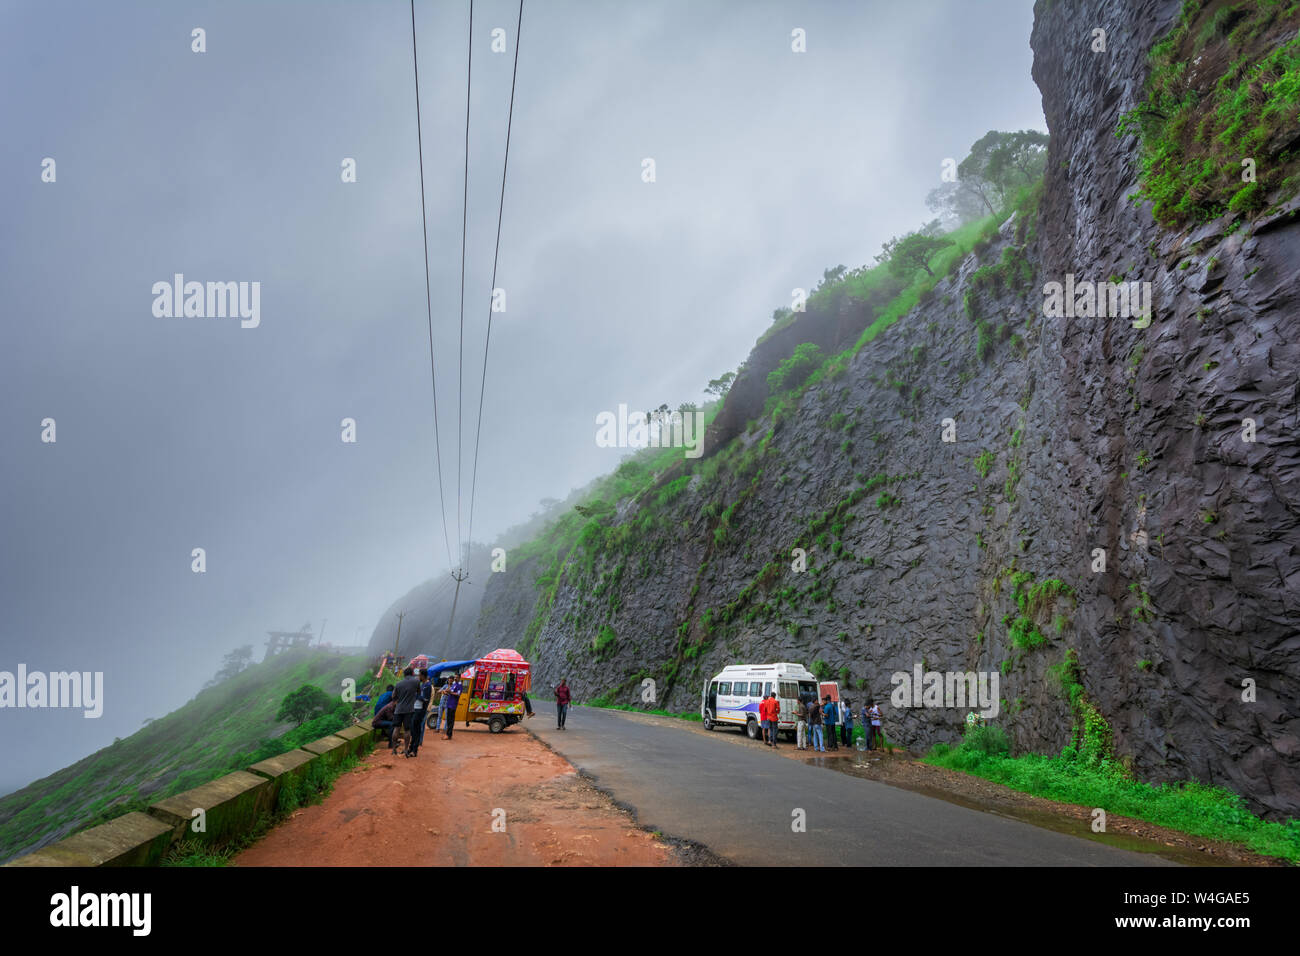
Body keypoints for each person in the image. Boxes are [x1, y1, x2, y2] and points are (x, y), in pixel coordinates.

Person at [391, 667, 420, 754]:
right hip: (409, 710)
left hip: (398, 709)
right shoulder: (416, 682)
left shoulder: (398, 684)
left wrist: (397, 701)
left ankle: (393, 750)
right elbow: (419, 692)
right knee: (407, 730)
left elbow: (393, 696)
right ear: (412, 673)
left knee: (396, 728)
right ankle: (406, 749)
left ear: (404, 674)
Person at [405, 668, 431, 757]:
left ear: (423, 676)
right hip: (415, 708)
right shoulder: (422, 684)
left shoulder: (427, 685)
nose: (418, 677)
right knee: (413, 729)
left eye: (419, 675)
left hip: (420, 710)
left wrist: (416, 695)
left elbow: (425, 699)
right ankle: (411, 748)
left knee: (416, 729)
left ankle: (414, 750)